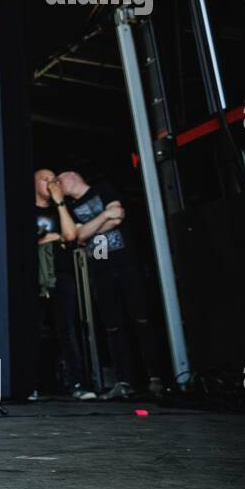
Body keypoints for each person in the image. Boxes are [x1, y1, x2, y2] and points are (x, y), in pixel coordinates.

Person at [57, 170, 163, 398]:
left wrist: (89, 229)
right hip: (100, 271)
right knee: (113, 327)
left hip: (126, 264)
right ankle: (124, 381)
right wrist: (104, 217)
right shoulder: (70, 208)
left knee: (141, 319)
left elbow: (118, 215)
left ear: (72, 176)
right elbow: (77, 236)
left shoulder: (103, 188)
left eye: (59, 179)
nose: (56, 184)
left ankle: (156, 377)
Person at [34, 168, 95, 400]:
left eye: (54, 179)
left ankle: (77, 383)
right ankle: (33, 385)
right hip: (36, 277)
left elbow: (71, 236)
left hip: (62, 275)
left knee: (68, 329)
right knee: (34, 330)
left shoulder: (61, 209)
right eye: (45, 179)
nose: (52, 183)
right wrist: (50, 238)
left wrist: (60, 202)